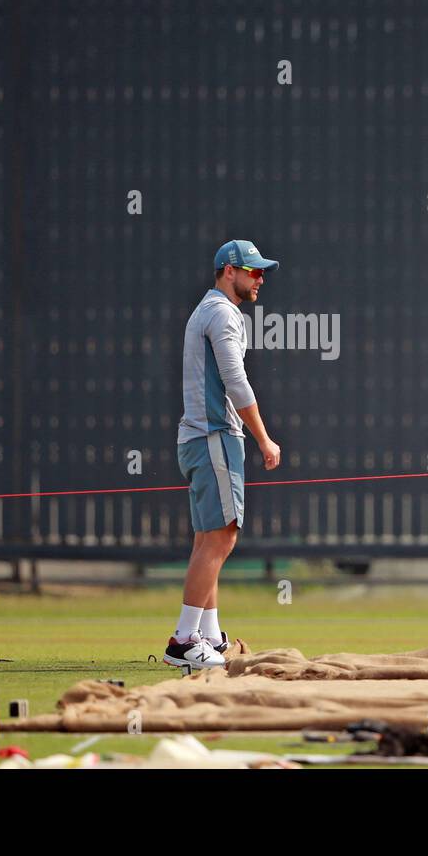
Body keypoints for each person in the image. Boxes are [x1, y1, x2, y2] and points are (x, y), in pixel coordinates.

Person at [164, 240, 283, 671]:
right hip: (214, 436)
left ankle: (209, 636)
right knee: (221, 537)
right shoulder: (220, 312)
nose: (260, 277)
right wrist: (265, 440)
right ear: (228, 271)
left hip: (201, 437)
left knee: (210, 537)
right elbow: (236, 380)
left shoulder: (211, 310)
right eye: (252, 271)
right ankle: (182, 641)